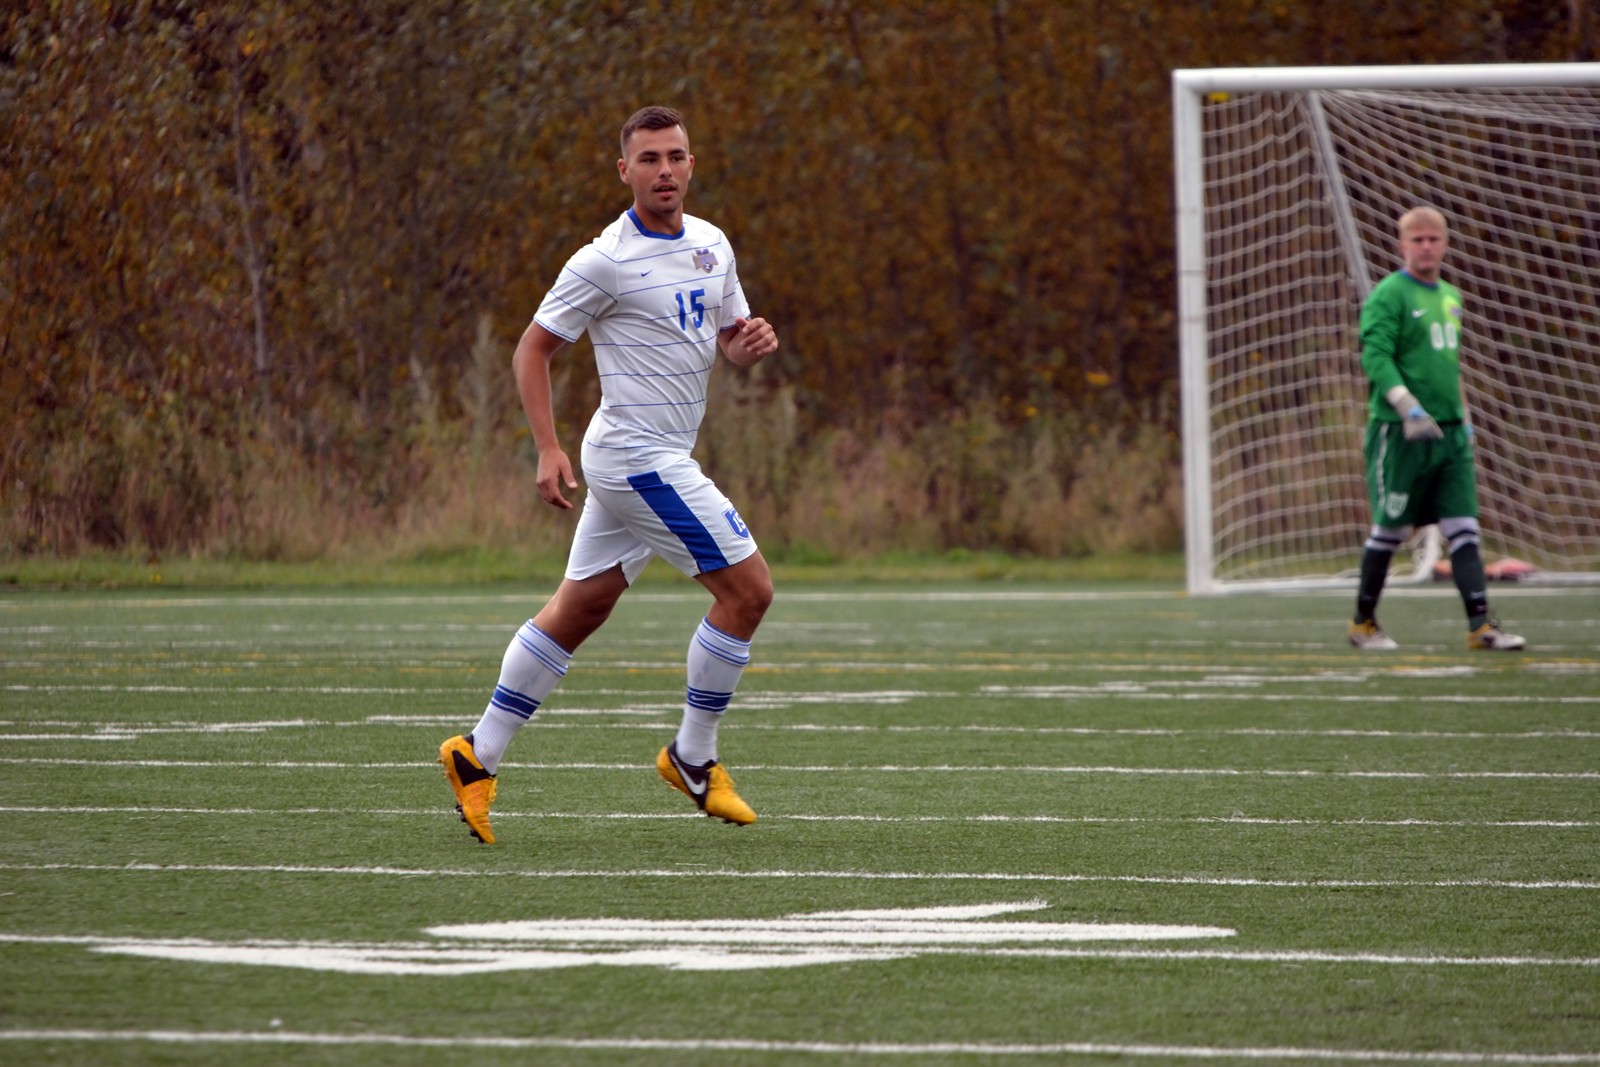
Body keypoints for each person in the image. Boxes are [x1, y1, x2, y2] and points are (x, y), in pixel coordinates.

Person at [438, 106, 779, 843]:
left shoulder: (713, 244)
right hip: (634, 456)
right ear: (624, 171)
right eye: (649, 158)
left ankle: (476, 754)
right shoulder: (604, 259)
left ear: (692, 165)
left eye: (676, 156)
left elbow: (727, 342)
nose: (665, 169)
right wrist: (545, 446)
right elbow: (532, 350)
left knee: (579, 608)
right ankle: (692, 757)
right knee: (749, 592)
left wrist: (747, 346)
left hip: (658, 454)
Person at [1347, 205, 1525, 653]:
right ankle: (1363, 624)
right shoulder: (1390, 295)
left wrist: (1464, 421)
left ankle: (1481, 627)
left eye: (1434, 239)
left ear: (1445, 244)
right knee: (1390, 531)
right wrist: (1406, 407)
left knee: (1464, 527)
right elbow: (1376, 358)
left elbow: (1451, 368)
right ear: (1402, 245)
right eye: (1417, 239)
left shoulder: (1450, 296)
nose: (1426, 246)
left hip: (1449, 436)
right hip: (1400, 435)